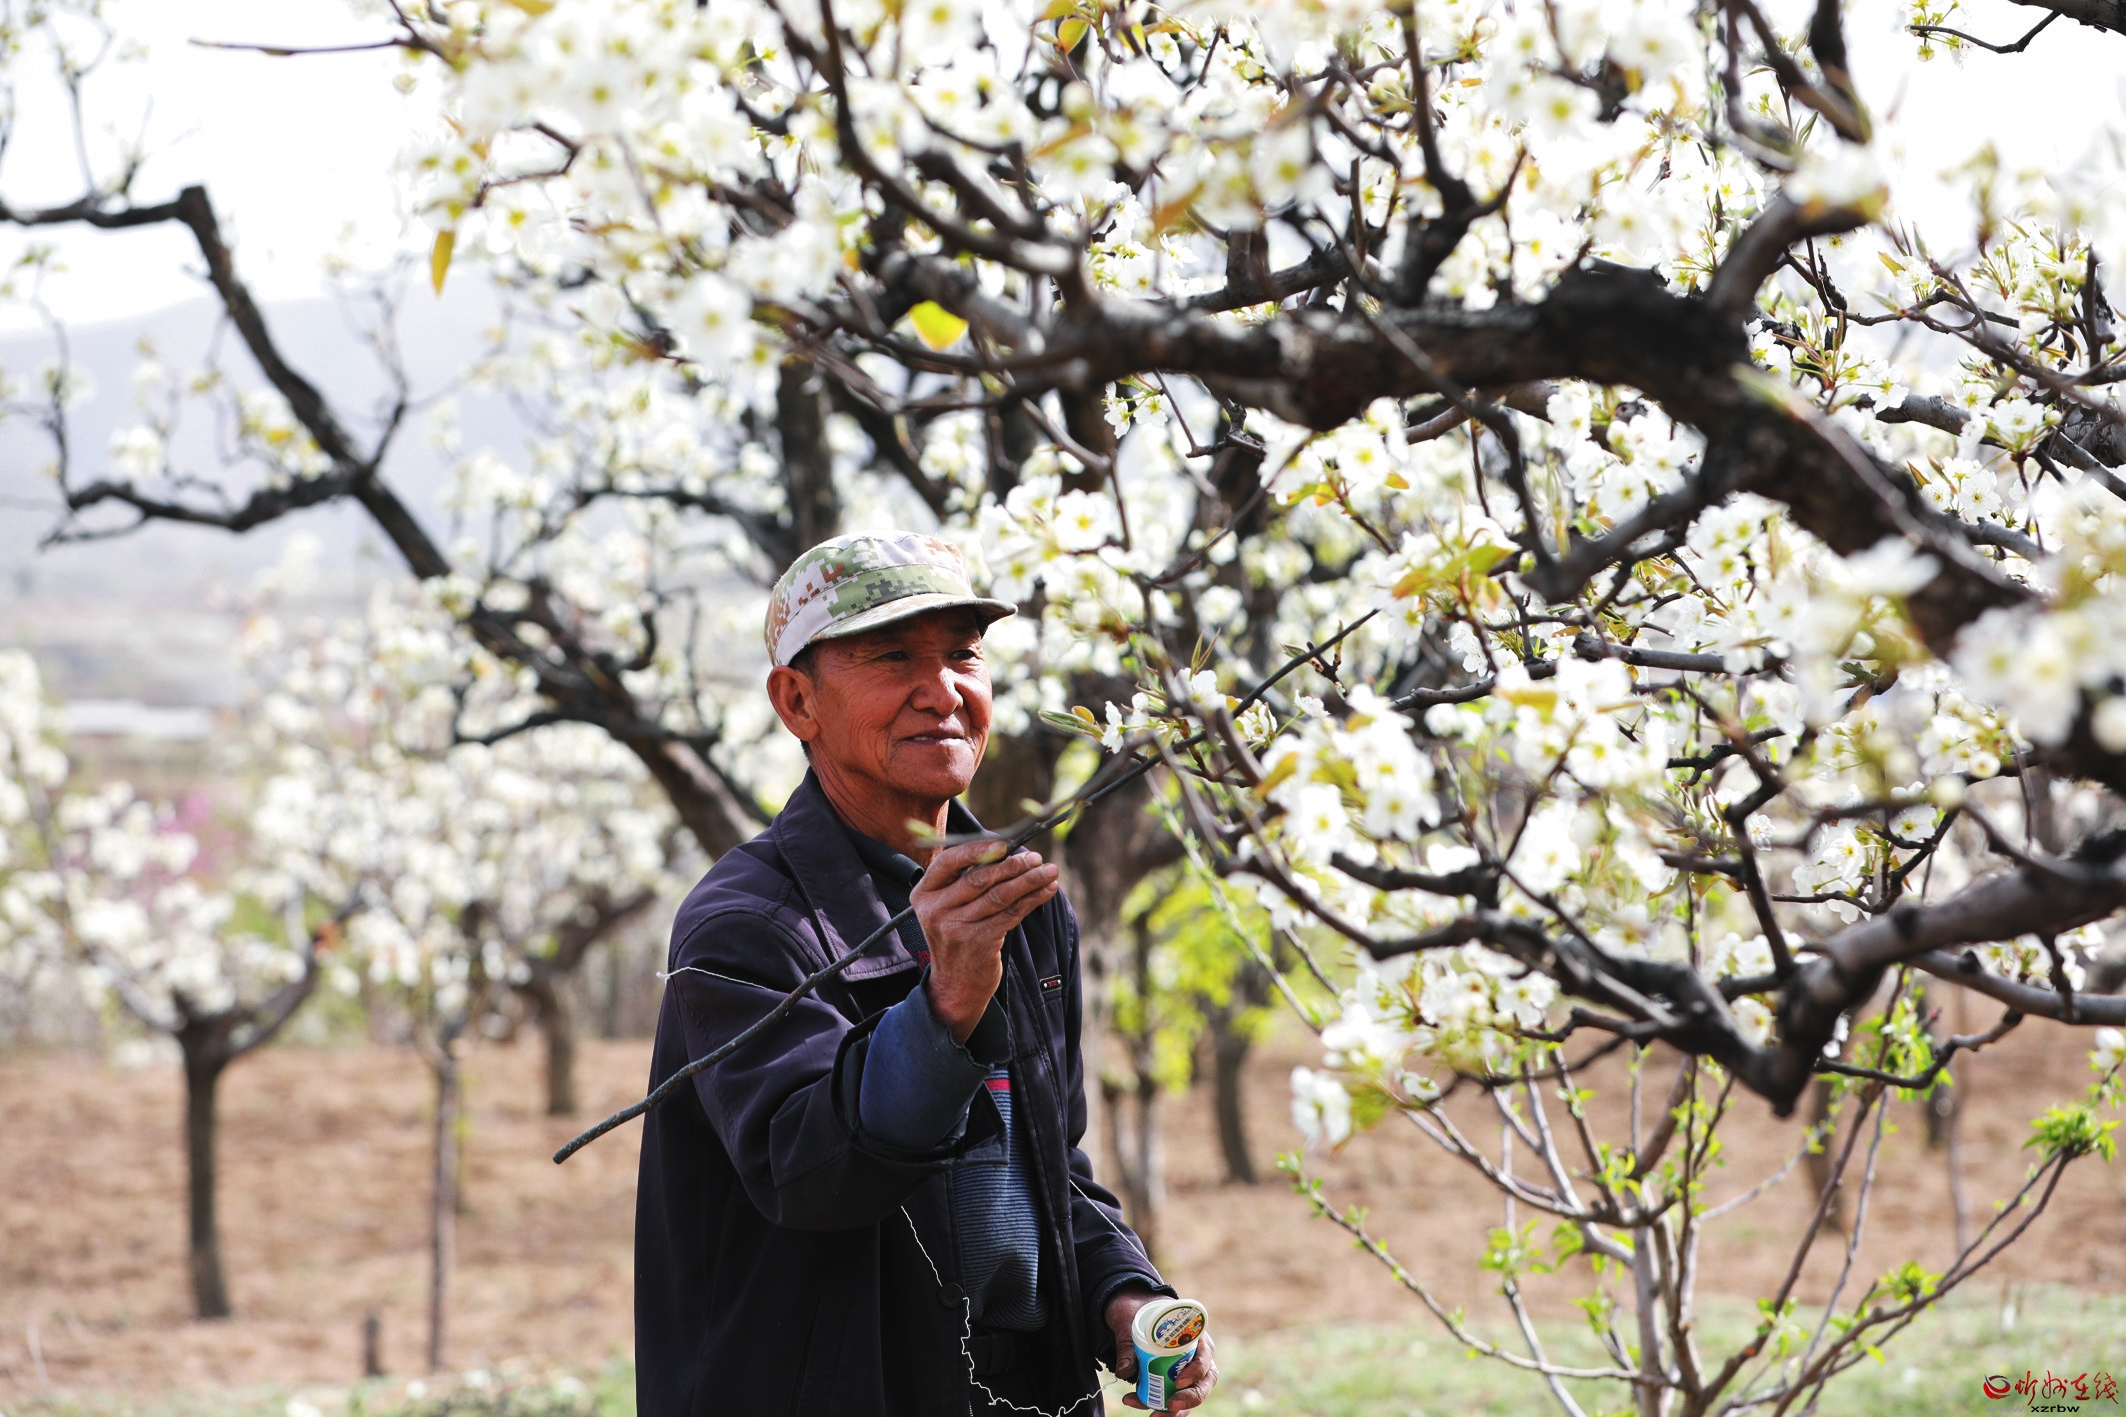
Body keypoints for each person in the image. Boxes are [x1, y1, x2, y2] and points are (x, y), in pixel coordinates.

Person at [635, 531, 1219, 1416]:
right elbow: (810, 1171)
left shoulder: (1016, 903)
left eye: (963, 655)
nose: (940, 689)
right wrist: (946, 1003)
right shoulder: (747, 928)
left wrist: (1122, 1293)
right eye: (891, 656)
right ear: (798, 701)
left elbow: (1050, 1166)